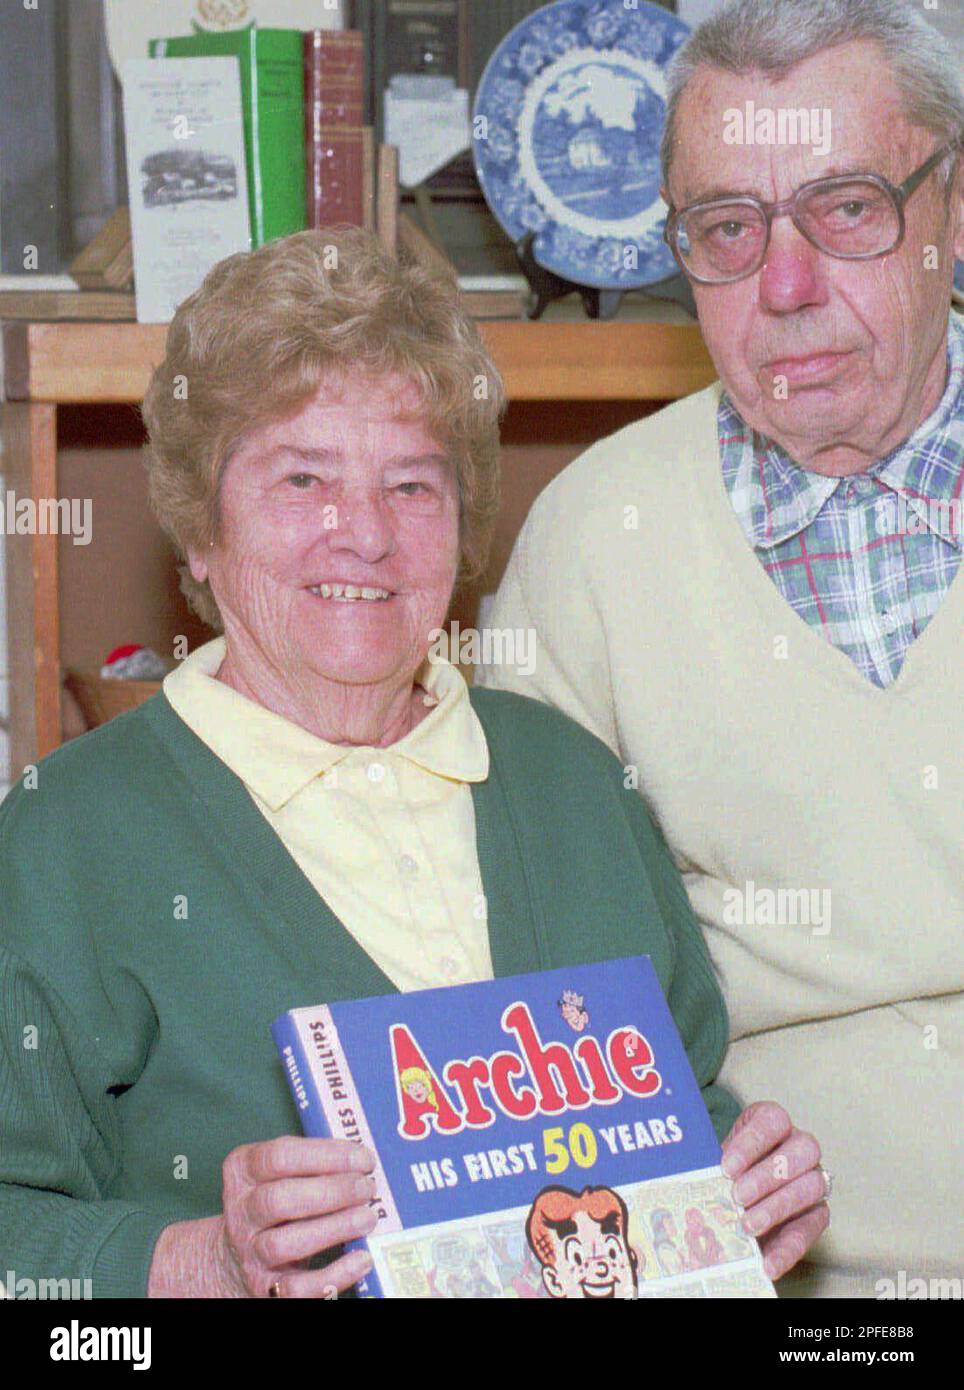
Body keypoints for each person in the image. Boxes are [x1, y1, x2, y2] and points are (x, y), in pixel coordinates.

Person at [0, 227, 827, 1300]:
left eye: (412, 485)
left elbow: (680, 1122)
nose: (364, 533)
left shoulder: (575, 782)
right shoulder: (64, 837)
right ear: (200, 530)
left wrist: (736, 1205)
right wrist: (204, 1262)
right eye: (302, 477)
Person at [477, 0, 963, 1298]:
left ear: (953, 206)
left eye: (847, 209)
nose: (786, 288)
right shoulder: (594, 543)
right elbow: (525, 1008)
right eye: (729, 229)